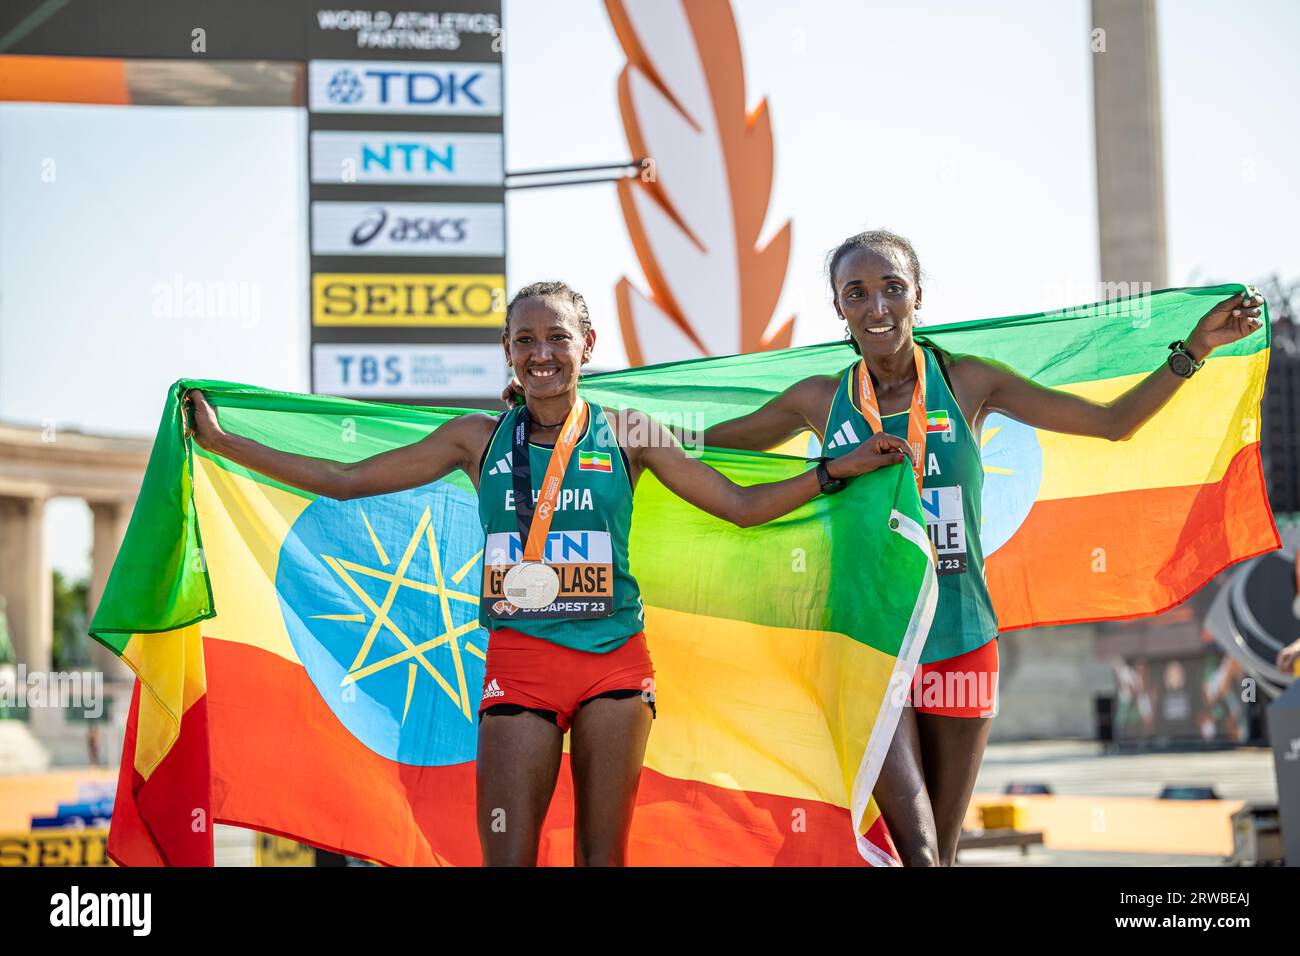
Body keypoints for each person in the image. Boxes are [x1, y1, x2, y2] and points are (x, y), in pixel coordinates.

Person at [185, 279, 910, 867]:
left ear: (586, 346)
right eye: (525, 340)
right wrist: (223, 442)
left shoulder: (629, 432)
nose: (541, 354)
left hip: (615, 670)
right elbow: (342, 479)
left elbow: (742, 507)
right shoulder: (476, 437)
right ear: (506, 352)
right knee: (509, 857)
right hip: (519, 668)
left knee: (603, 859)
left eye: (557, 337)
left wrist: (832, 470)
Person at [694, 229, 1264, 866]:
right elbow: (699, 450)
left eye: (892, 288)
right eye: (856, 293)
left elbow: (1113, 424)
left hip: (961, 637)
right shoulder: (819, 400)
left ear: (917, 296)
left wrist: (1193, 350)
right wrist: (610, 428)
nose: (876, 307)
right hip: (865, 642)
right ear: (839, 308)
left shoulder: (968, 383)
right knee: (915, 844)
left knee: (940, 847)